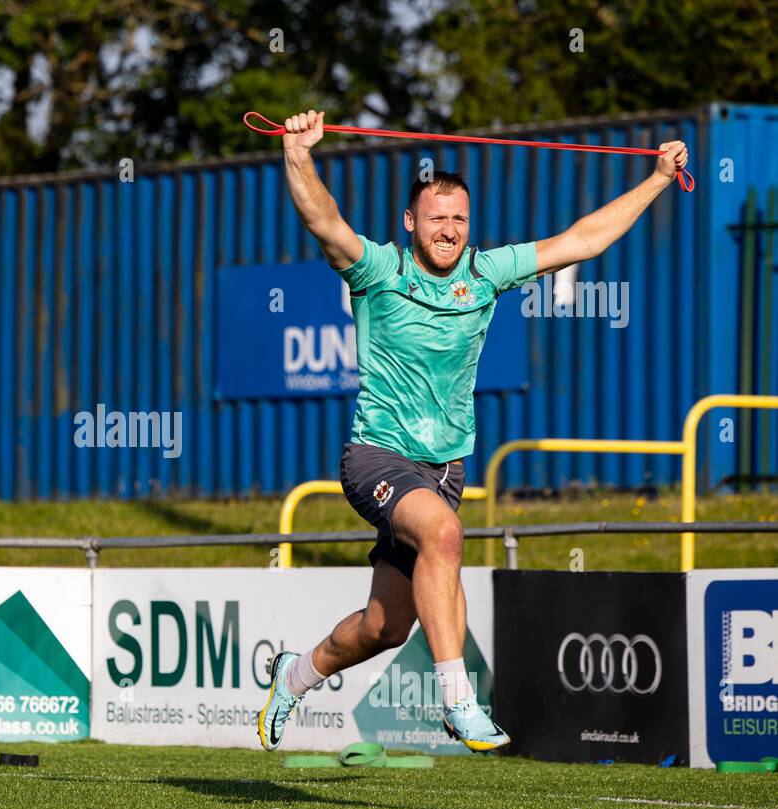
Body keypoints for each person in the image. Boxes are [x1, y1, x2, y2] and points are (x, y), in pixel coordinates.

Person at [257, 109, 690, 753]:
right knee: (446, 534)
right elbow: (324, 220)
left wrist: (656, 179)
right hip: (376, 456)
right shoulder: (380, 271)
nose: (449, 230)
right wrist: (297, 155)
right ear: (411, 224)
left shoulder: (486, 273)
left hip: (443, 468)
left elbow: (582, 241)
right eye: (437, 218)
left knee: (385, 625)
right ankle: (458, 702)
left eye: (460, 219)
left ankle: (293, 676)